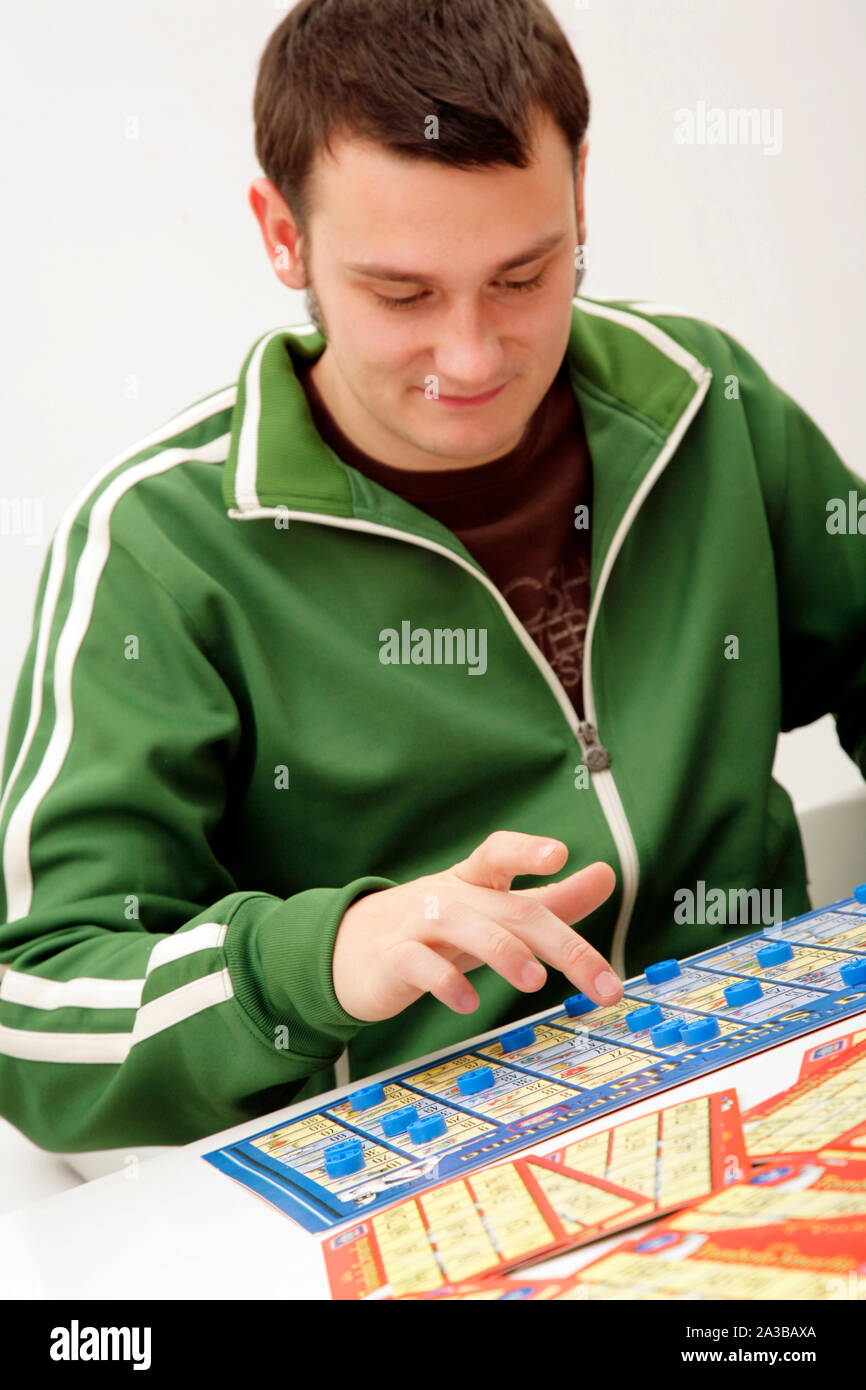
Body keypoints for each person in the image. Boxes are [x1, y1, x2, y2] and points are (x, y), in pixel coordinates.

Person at [1, 0, 864, 1158]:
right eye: (400, 295)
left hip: (783, 1111)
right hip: (425, 1181)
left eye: (522, 276)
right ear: (280, 236)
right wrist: (319, 959)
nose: (470, 357)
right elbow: (34, 1011)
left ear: (579, 197)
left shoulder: (703, 397)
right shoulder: (156, 543)